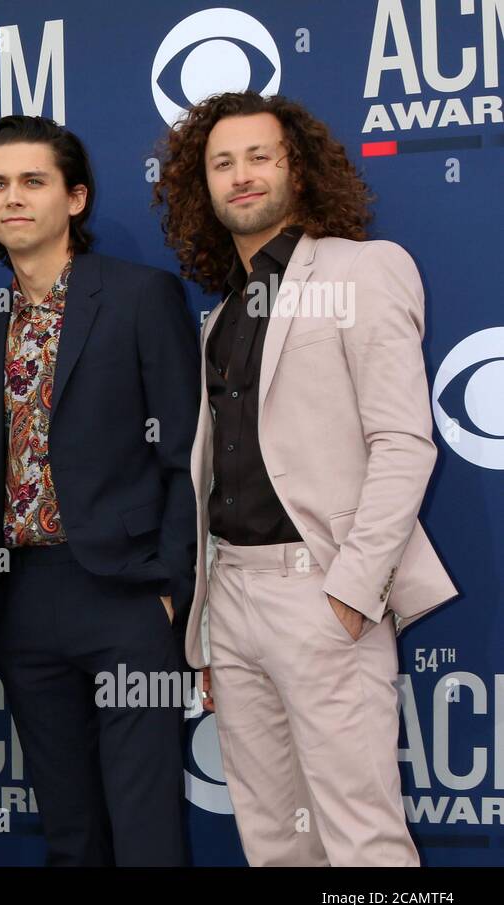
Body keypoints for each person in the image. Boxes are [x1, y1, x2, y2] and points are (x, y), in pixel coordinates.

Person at [154, 90, 457, 865]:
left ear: (300, 169)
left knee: (362, 839)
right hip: (233, 599)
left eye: (260, 156)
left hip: (320, 591)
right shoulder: (221, 317)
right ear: (202, 186)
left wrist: (351, 593)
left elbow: (402, 443)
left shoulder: (364, 271)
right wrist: (213, 625)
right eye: (222, 163)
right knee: (275, 840)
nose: (241, 176)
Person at [0, 115, 199, 865]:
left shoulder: (140, 297)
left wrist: (169, 590)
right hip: (24, 600)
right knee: (70, 831)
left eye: (33, 181)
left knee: (145, 826)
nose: (13, 198)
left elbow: (186, 458)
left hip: (126, 593)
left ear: (77, 197)